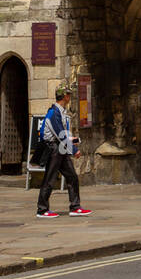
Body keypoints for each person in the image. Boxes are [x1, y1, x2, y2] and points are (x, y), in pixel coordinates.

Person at [36, 84, 91, 219]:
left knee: (72, 176)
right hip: (54, 149)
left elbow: (62, 135)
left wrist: (72, 140)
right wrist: (73, 150)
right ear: (65, 96)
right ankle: (42, 210)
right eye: (69, 95)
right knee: (49, 179)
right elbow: (59, 134)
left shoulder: (60, 111)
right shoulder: (54, 112)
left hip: (60, 148)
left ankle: (75, 207)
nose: (70, 97)